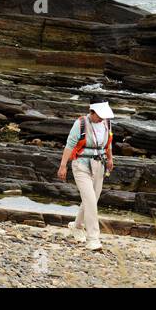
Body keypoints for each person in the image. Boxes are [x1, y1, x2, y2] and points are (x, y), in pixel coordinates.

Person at [56, 101, 115, 251]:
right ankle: (93, 239)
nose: (101, 119)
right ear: (92, 112)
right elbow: (70, 144)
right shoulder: (80, 123)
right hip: (81, 165)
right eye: (99, 116)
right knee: (90, 200)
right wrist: (63, 166)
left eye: (104, 116)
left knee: (92, 200)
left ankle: (76, 226)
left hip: (99, 165)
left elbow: (108, 143)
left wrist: (110, 159)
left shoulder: (106, 123)